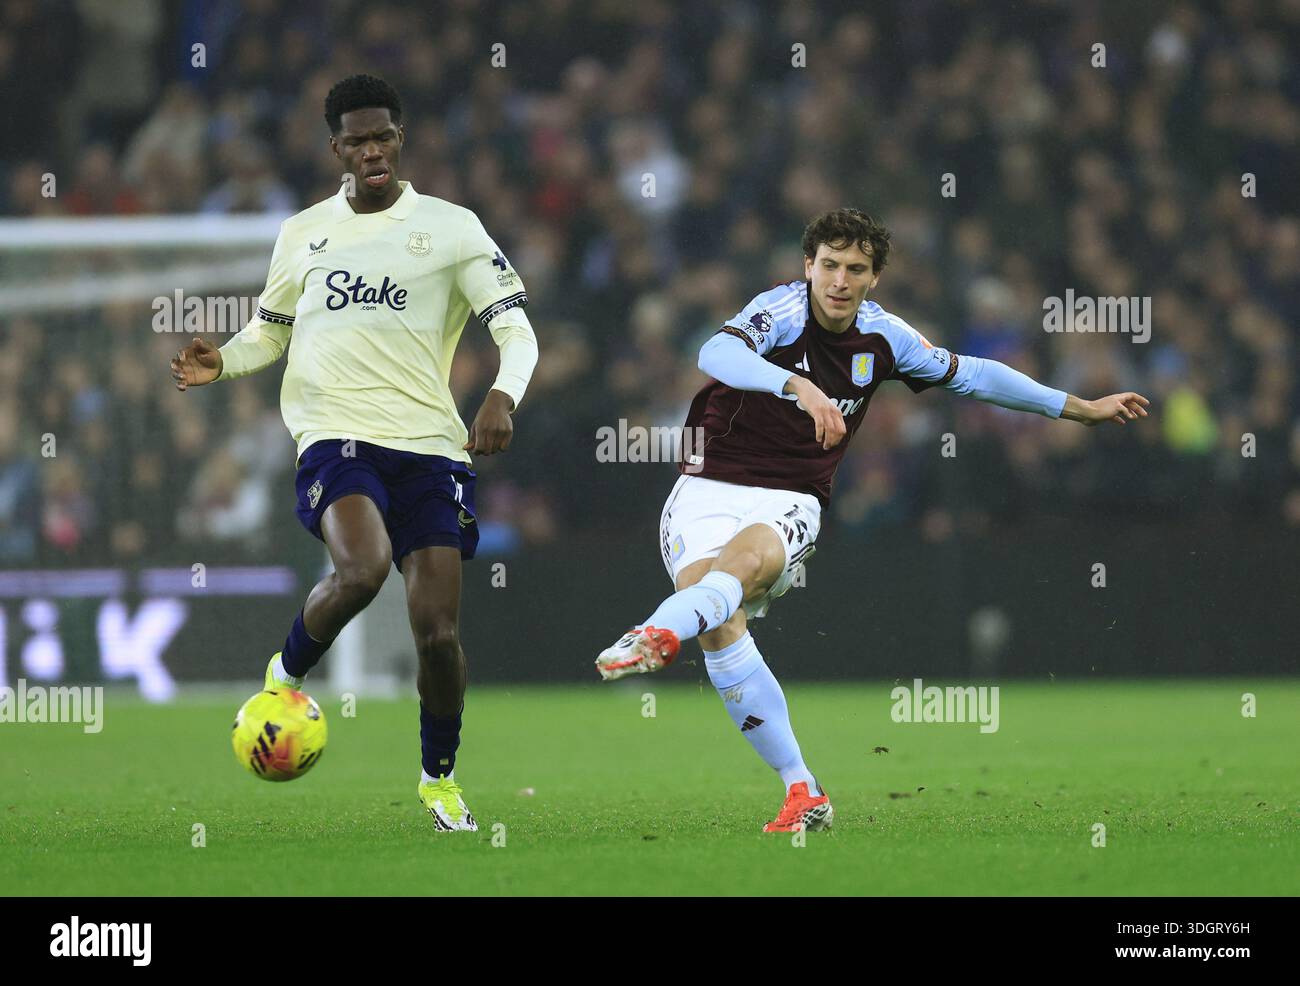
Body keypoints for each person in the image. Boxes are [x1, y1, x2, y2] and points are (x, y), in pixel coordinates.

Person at [596, 207, 1149, 832]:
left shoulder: (886, 339)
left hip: (790, 496)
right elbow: (715, 351)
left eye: (854, 269)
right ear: (808, 266)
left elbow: (972, 375)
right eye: (828, 265)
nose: (838, 279)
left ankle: (654, 634)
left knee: (735, 578)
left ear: (873, 278)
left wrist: (1076, 408)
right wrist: (798, 388)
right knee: (719, 625)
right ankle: (803, 790)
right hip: (706, 487)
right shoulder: (780, 310)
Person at [171, 74, 538, 831]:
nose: (372, 151)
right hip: (335, 434)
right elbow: (270, 330)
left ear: (400, 141)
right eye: (357, 140)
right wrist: (224, 362)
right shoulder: (303, 231)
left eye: (384, 138)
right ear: (336, 147)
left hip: (432, 447)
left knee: (437, 635)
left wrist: (502, 395)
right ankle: (286, 673)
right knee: (364, 569)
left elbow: (515, 329)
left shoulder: (451, 228)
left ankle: (439, 781)